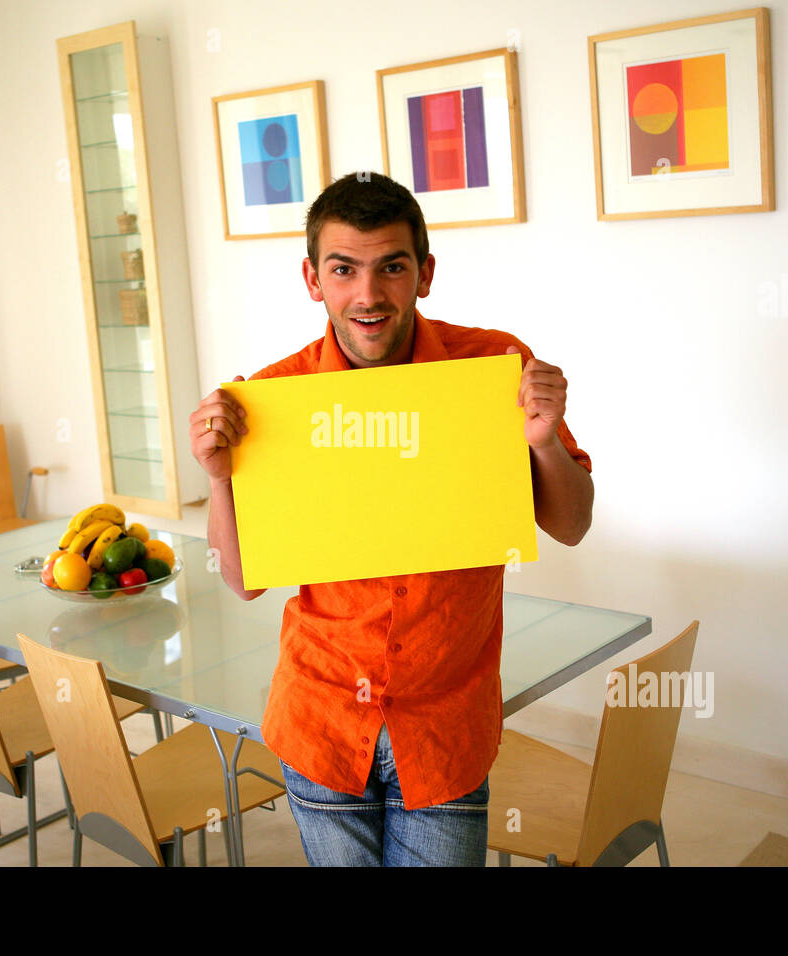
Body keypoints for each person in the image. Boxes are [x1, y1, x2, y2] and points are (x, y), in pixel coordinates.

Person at [188, 171, 593, 866]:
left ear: (424, 274)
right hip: (320, 718)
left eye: (391, 268)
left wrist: (543, 440)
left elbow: (572, 524)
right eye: (344, 270)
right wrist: (221, 481)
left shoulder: (492, 368)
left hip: (444, 728)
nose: (368, 295)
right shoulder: (274, 399)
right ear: (314, 280)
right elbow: (243, 580)